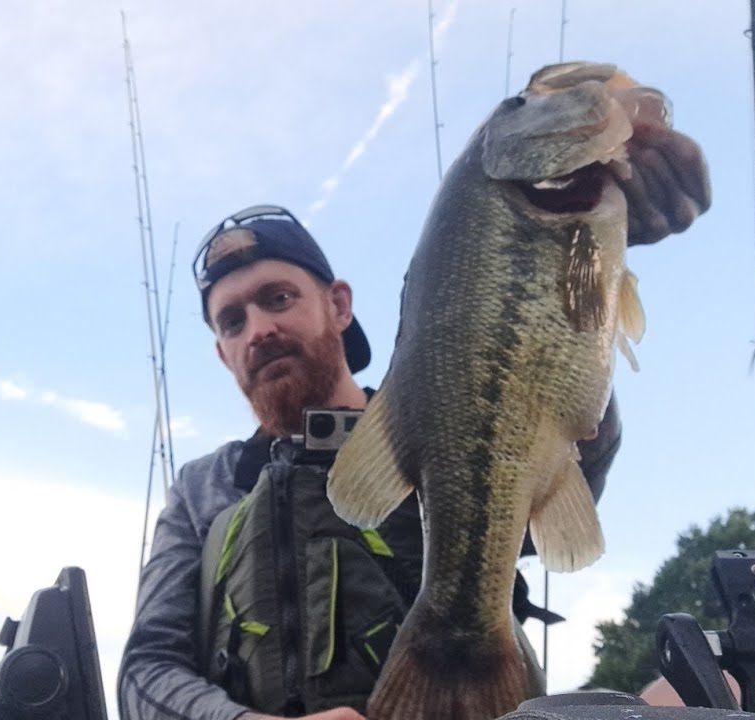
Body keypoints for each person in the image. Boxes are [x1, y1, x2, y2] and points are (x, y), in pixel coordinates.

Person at [117, 125, 715, 720]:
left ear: (339, 305)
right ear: (223, 354)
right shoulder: (202, 490)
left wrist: (583, 267)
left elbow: (583, 457)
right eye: (232, 322)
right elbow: (146, 669)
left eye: (277, 298)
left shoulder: (447, 409)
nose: (259, 330)